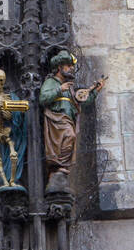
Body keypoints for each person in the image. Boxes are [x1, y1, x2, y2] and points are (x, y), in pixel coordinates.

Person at [39, 51, 105, 186]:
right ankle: (57, 166)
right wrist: (59, 89)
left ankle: (61, 165)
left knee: (70, 137)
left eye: (71, 66)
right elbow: (43, 99)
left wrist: (96, 91)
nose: (71, 68)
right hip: (56, 119)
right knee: (69, 136)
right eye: (68, 66)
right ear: (59, 67)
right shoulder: (51, 82)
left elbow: (80, 101)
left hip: (68, 119)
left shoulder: (70, 87)